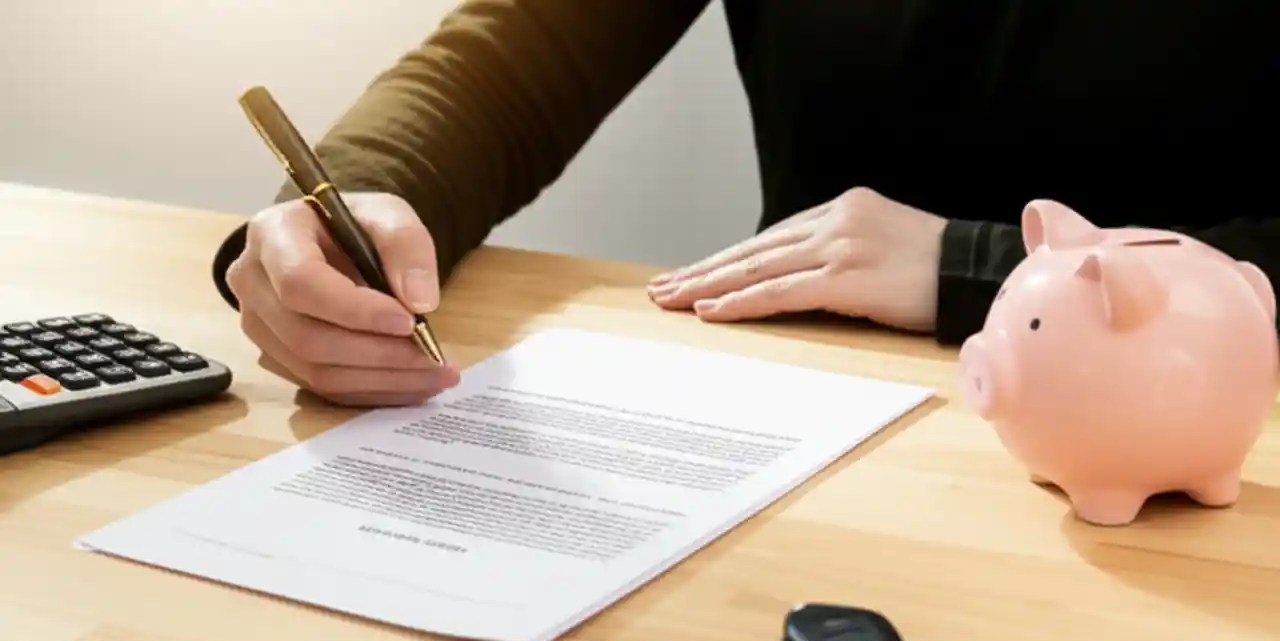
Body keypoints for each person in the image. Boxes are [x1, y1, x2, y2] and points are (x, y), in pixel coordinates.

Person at [212, 1, 1280, 407]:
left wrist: (979, 266)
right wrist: (347, 202)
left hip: (1211, 456)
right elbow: (510, 59)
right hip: (811, 427)